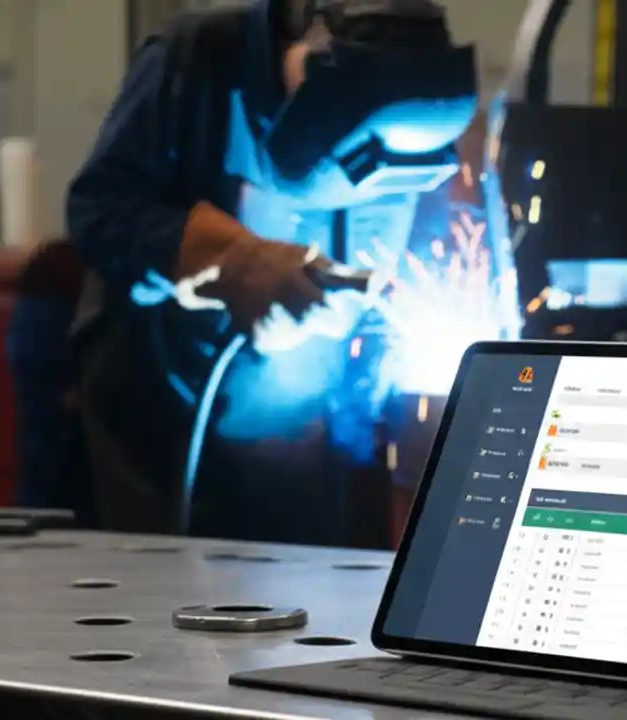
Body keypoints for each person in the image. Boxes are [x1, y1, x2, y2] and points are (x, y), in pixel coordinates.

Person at [63, 0, 477, 541]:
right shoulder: (199, 60)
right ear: (310, 55)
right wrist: (235, 260)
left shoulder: (413, 92)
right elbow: (99, 210)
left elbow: (425, 250)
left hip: (315, 441)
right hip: (168, 423)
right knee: (172, 608)